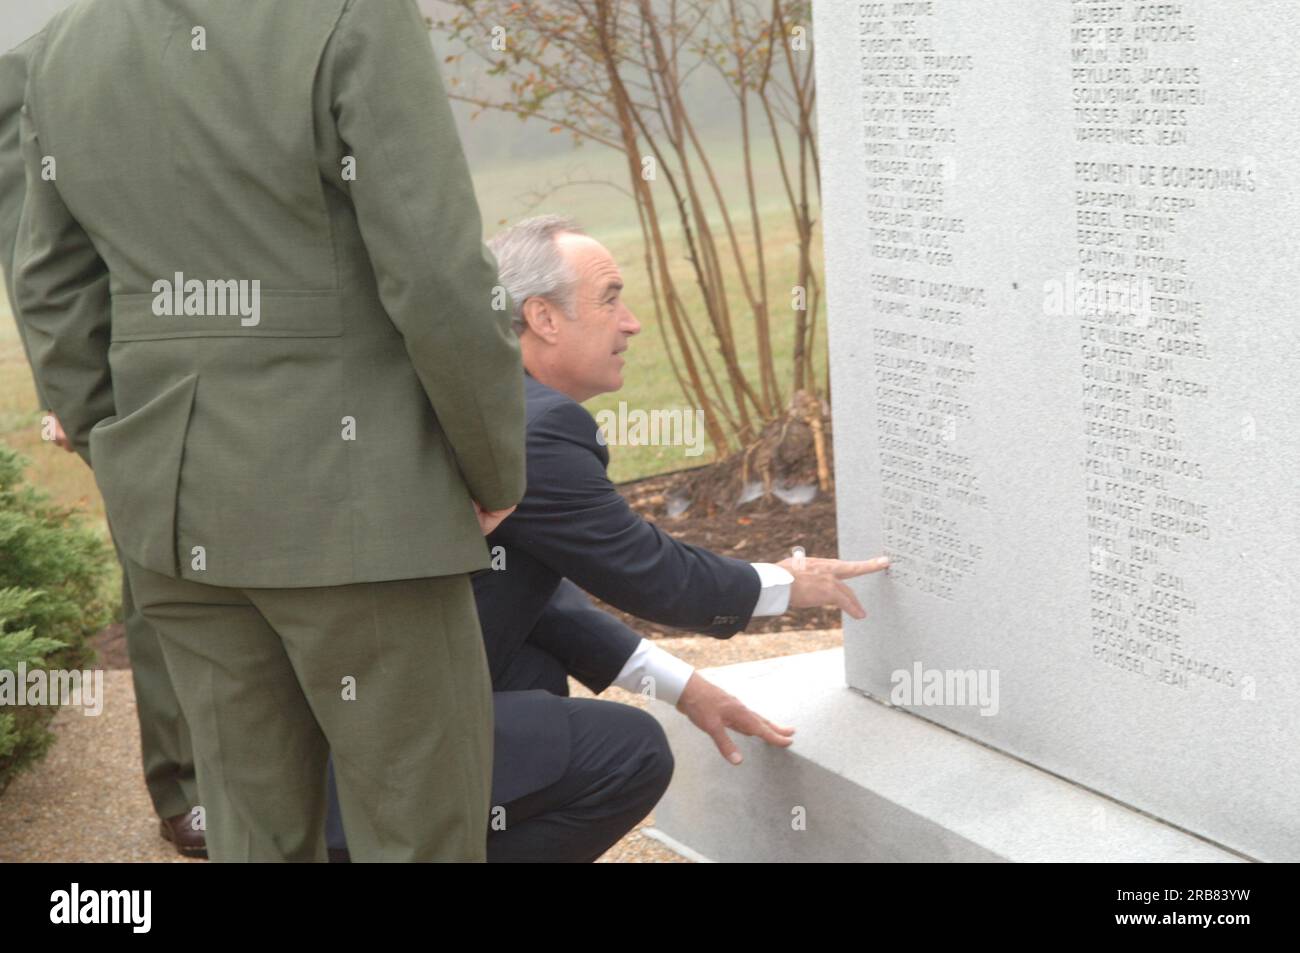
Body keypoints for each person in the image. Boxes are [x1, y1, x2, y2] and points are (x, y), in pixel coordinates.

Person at [12, 0, 524, 861]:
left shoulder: (63, 46)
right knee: (419, 834)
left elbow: (53, 295)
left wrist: (128, 451)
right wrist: (492, 465)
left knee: (252, 837)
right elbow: (438, 276)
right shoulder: (354, 16)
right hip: (363, 505)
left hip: (181, 517)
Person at [326, 215, 887, 862]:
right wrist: (791, 582)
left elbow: (529, 594)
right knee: (629, 750)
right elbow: (649, 571)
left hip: (349, 718)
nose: (631, 322)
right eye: (611, 297)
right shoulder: (532, 427)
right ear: (543, 318)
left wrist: (687, 687)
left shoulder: (476, 397)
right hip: (359, 757)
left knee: (535, 672)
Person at [0, 34, 202, 857]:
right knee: (164, 578)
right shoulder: (41, 67)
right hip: (139, 391)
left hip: (283, 374)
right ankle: (188, 786)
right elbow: (37, 256)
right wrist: (81, 401)